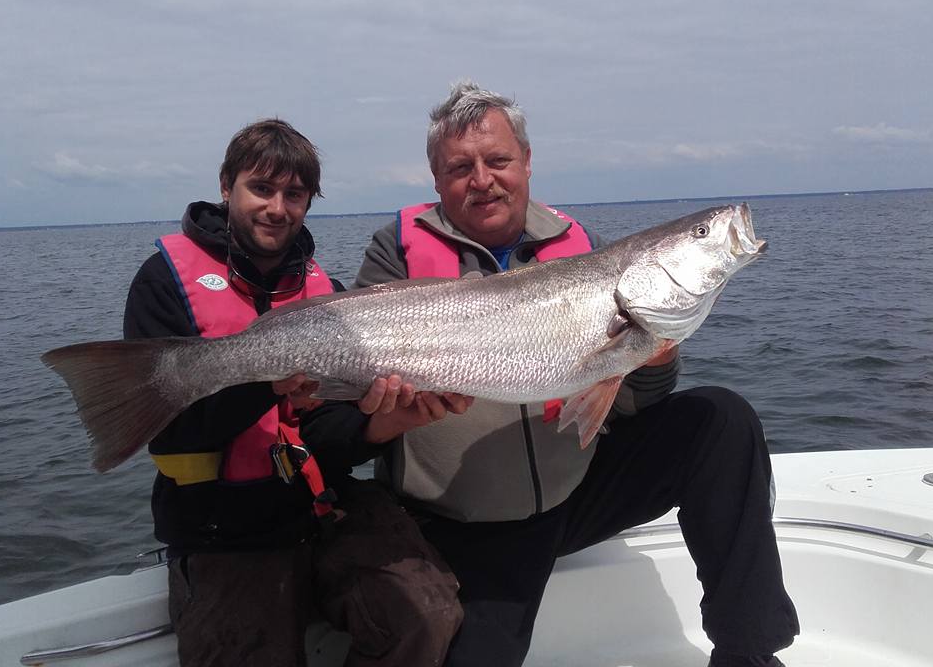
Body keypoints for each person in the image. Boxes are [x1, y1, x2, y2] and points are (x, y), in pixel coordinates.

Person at [354, 82, 800, 667]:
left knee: (721, 421)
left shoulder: (580, 249)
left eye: (498, 160)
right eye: (461, 167)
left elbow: (631, 405)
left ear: (528, 162)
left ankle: (748, 652)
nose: (482, 178)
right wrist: (379, 409)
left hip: (575, 491)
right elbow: (352, 405)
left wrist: (653, 360)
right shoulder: (395, 253)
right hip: (465, 526)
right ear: (437, 179)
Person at [123, 118, 467, 667]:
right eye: (261, 188)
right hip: (221, 528)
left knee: (427, 616)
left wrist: (388, 424)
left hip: (320, 510)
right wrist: (267, 380)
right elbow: (166, 429)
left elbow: (327, 436)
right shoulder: (164, 281)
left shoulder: (325, 293)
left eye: (295, 194)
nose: (277, 208)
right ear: (225, 186)